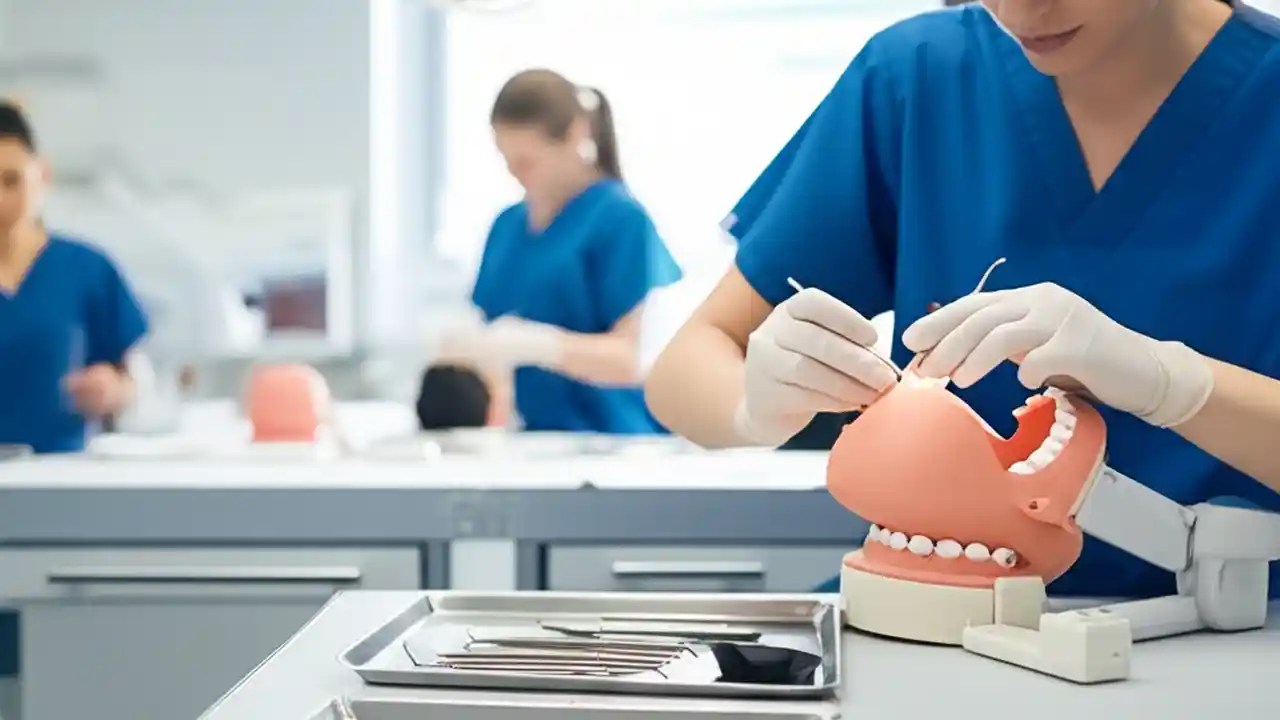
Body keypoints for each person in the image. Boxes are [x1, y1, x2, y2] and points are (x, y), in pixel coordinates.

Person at [645, 0, 1280, 600]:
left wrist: (1177, 386)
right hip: (928, 622)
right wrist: (752, 407)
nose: (1022, 12)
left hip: (1235, 639)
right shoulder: (918, 77)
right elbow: (684, 368)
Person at [449, 69, 682, 434]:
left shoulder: (620, 220)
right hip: (534, 442)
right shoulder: (507, 226)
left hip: (615, 440)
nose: (516, 175)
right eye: (507, 161)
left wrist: (542, 346)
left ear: (575, 134)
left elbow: (632, 358)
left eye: (527, 162)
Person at [0, 101, 148, 453]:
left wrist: (114, 389)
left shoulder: (87, 270)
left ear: (43, 174)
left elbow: (135, 380)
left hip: (62, 482)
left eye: (11, 181)